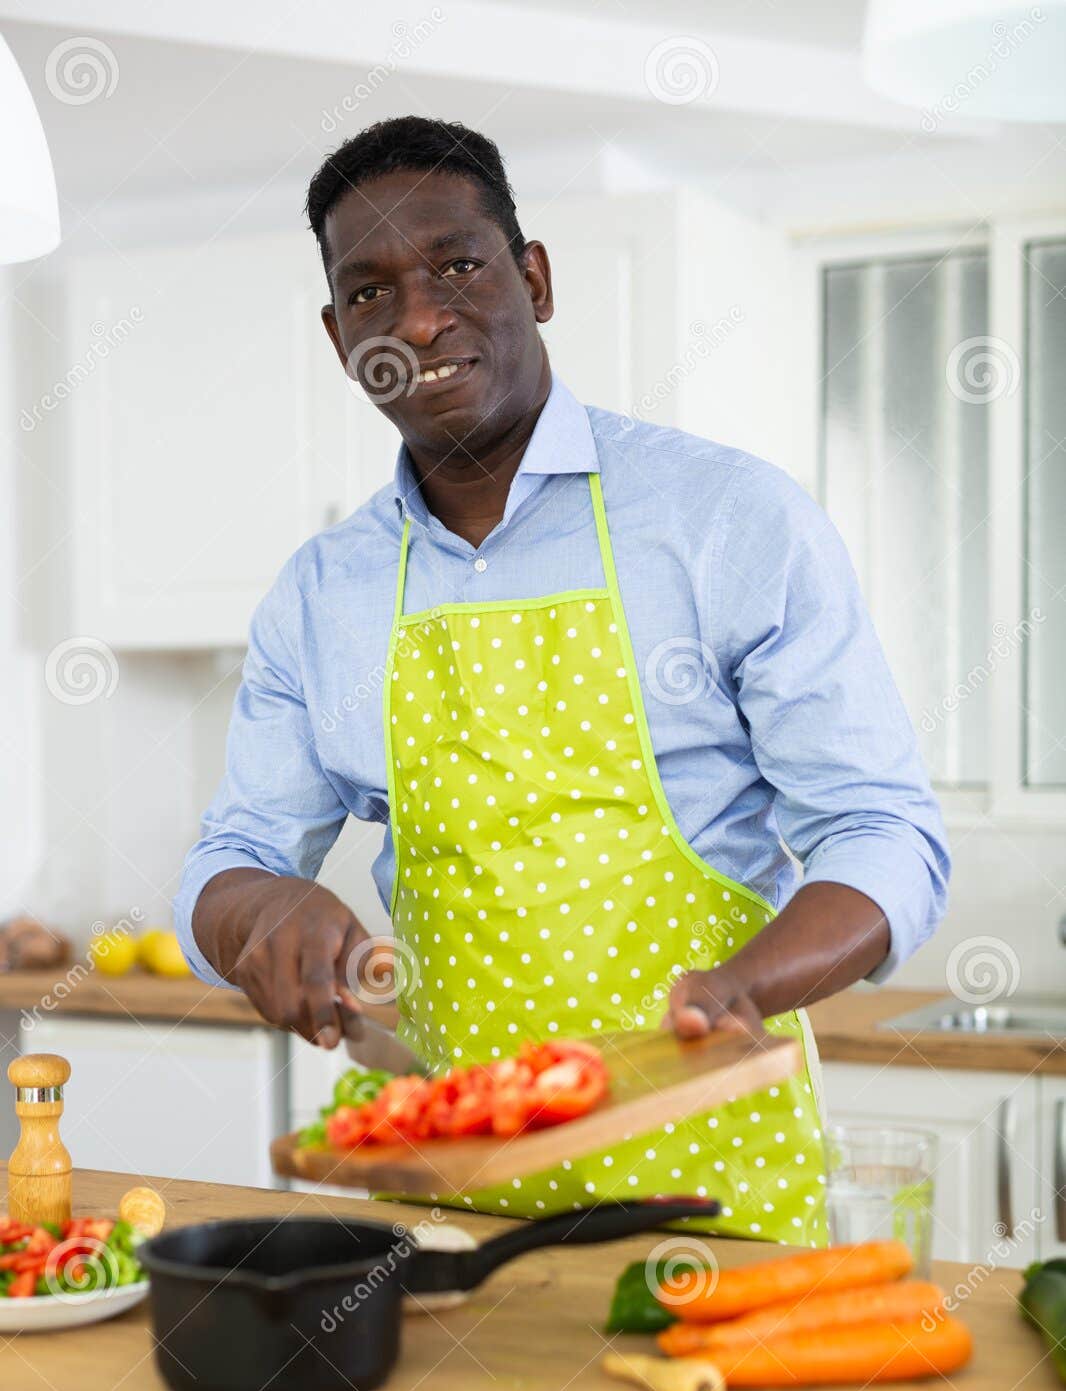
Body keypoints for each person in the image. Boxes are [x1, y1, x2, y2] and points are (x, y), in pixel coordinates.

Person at [175, 117, 948, 1239]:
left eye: (458, 264)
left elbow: (883, 833)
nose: (423, 317)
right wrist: (263, 905)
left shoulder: (728, 518)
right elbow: (228, 861)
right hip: (437, 1201)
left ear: (533, 279)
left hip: (709, 1203)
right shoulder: (319, 592)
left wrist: (748, 984)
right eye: (370, 292)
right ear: (341, 336)